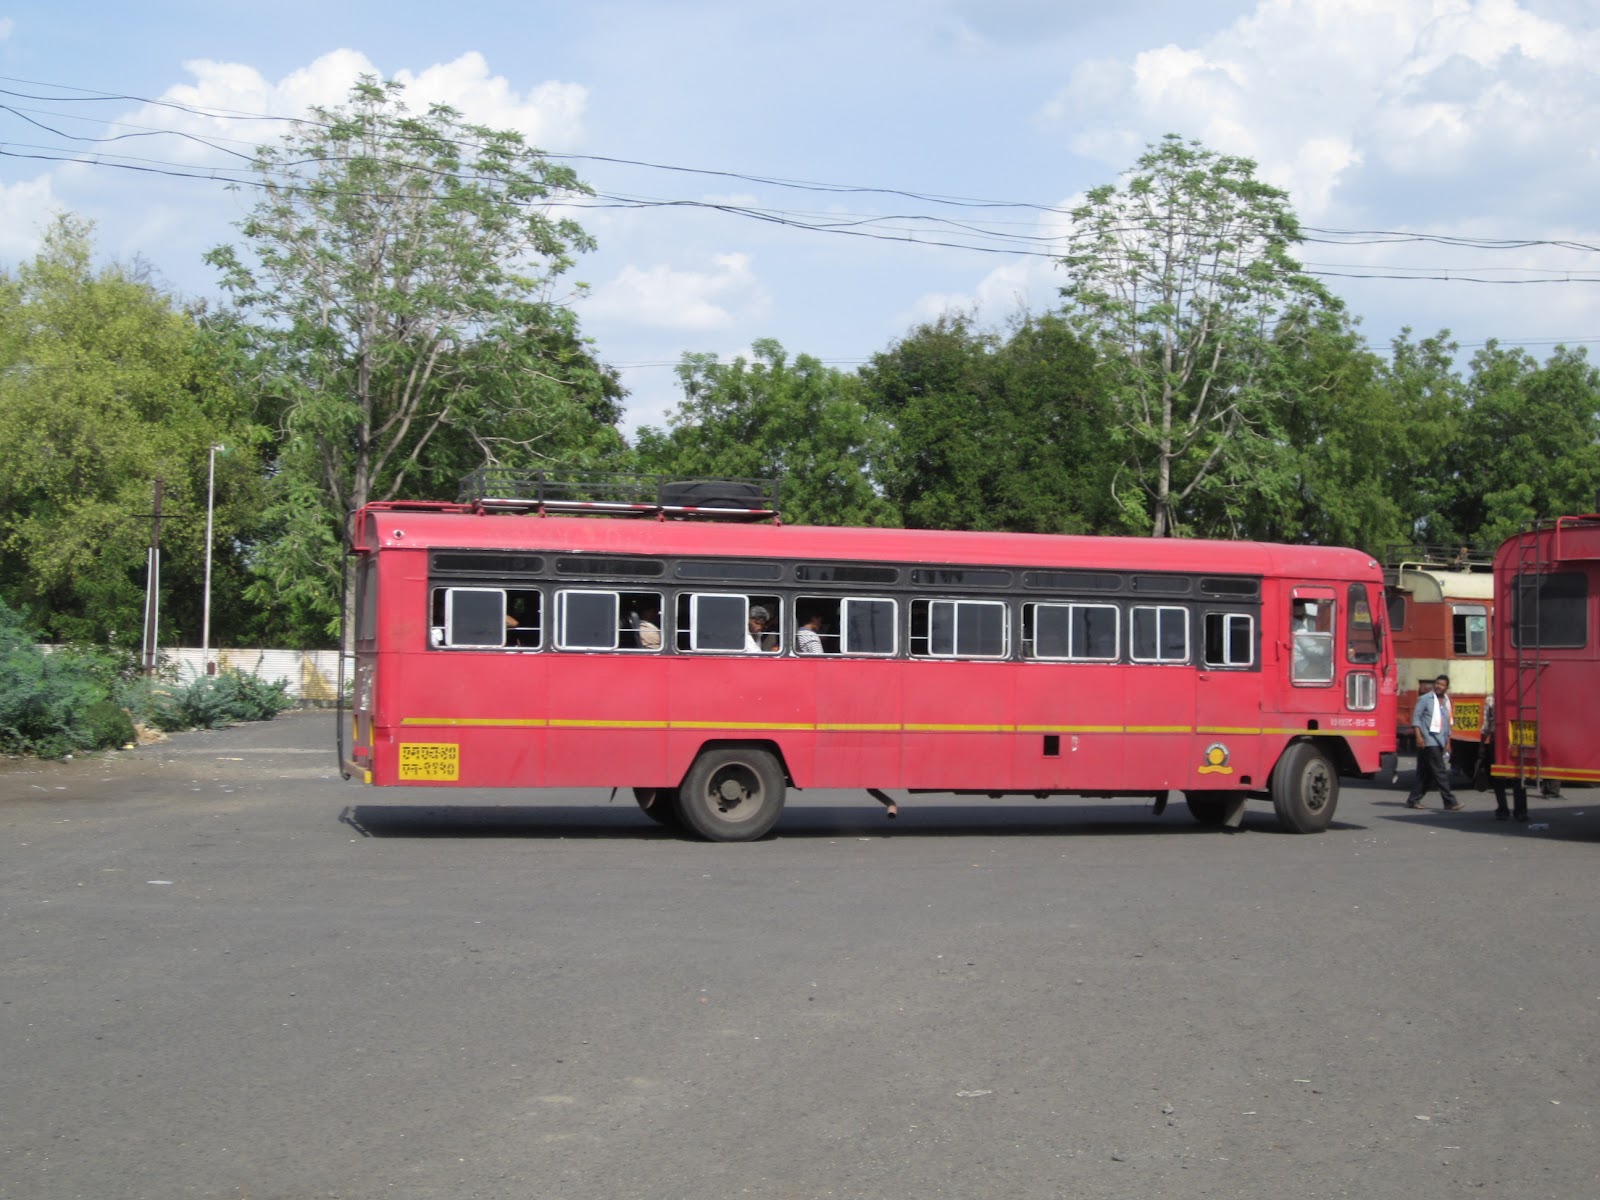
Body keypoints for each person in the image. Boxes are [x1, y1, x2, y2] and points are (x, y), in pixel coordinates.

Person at [1406, 674, 1464, 812]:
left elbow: (1448, 724)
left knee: (1425, 773)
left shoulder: (1447, 702)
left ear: (1446, 687)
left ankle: (1413, 799)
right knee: (1440, 771)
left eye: (1442, 685)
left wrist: (1448, 742)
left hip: (1440, 741)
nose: (1438, 686)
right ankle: (1449, 801)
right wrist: (1419, 737)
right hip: (1428, 741)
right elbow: (1416, 719)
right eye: (1437, 684)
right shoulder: (1425, 699)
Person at [1479, 694, 1528, 822]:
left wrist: (1482, 744)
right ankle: (1521, 811)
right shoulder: (1521, 695)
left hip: (1498, 740)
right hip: (1516, 738)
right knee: (1518, 775)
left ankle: (1502, 810)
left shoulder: (1491, 699)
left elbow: (1486, 725)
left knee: (1498, 777)